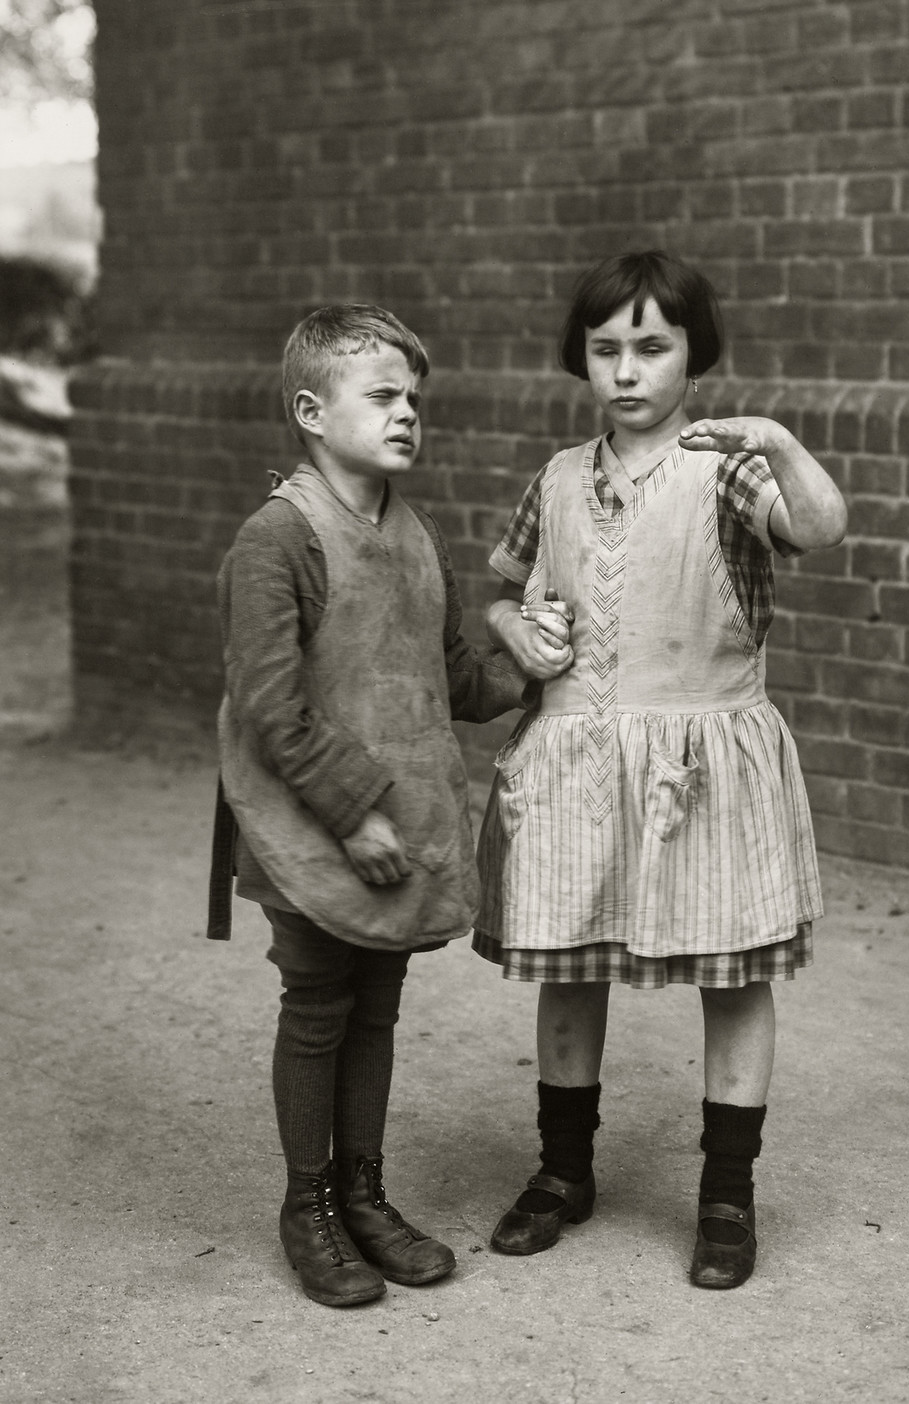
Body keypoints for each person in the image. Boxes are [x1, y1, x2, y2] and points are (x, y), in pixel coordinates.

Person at [473, 250, 848, 1289]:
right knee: (567, 965)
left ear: (692, 354)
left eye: (651, 346)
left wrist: (777, 442)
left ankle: (726, 1195)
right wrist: (517, 628)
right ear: (580, 359)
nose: (627, 371)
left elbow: (817, 528)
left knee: (732, 976)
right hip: (576, 759)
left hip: (702, 757)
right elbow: (505, 593)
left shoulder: (726, 465)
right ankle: (562, 1174)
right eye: (606, 350)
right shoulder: (553, 477)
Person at [206, 303, 566, 1308]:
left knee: (377, 1009)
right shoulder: (277, 539)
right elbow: (270, 709)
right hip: (313, 830)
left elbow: (449, 680)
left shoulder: (414, 532)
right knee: (319, 1006)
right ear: (313, 411)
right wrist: (354, 812)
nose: (408, 412)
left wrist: (532, 666)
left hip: (397, 829)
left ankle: (364, 1197)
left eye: (415, 397)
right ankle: (307, 1206)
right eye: (383, 395)